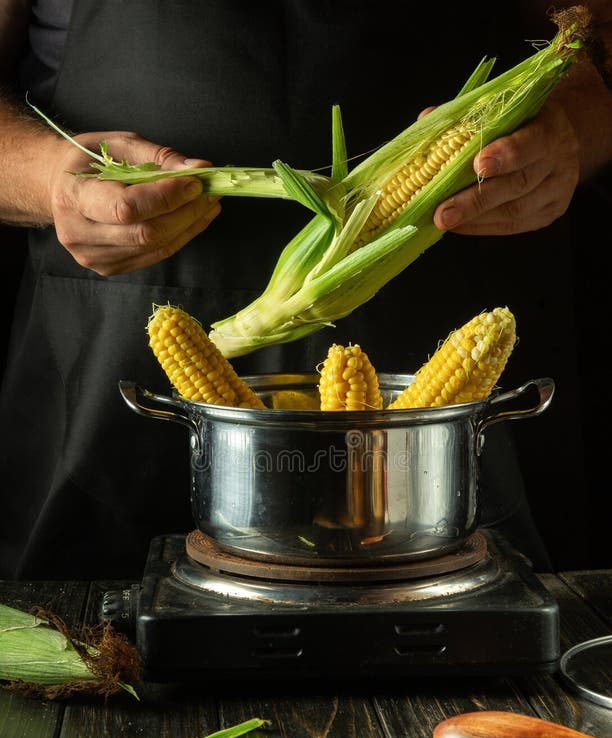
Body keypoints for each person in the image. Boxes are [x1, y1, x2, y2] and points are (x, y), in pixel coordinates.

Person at [0, 1, 611, 580]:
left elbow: (598, 41)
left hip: (447, 315)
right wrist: (47, 178)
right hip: (115, 339)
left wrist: (575, 133)